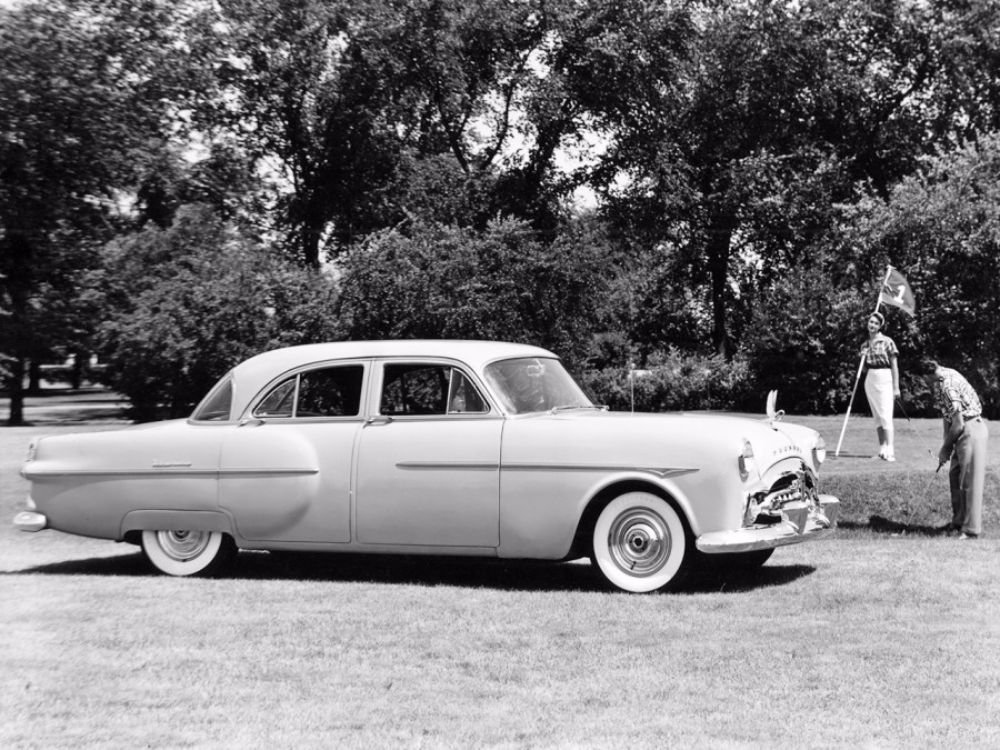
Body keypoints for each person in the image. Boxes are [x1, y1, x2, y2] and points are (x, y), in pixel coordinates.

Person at [920, 359, 988, 539]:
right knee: (955, 476)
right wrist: (946, 442)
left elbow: (958, 423)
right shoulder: (943, 376)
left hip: (971, 429)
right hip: (961, 431)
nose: (923, 383)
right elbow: (948, 415)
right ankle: (958, 523)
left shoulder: (947, 387)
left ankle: (970, 530)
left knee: (968, 482)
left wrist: (945, 448)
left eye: (923, 379)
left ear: (928, 375)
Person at [861, 311, 901, 461]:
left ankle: (890, 450)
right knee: (877, 416)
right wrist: (863, 357)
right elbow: (864, 369)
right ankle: (882, 450)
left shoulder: (887, 341)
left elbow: (894, 365)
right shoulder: (864, 344)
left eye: (876, 323)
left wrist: (896, 387)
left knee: (885, 414)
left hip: (885, 377)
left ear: (880, 326)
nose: (872, 325)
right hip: (870, 378)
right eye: (871, 322)